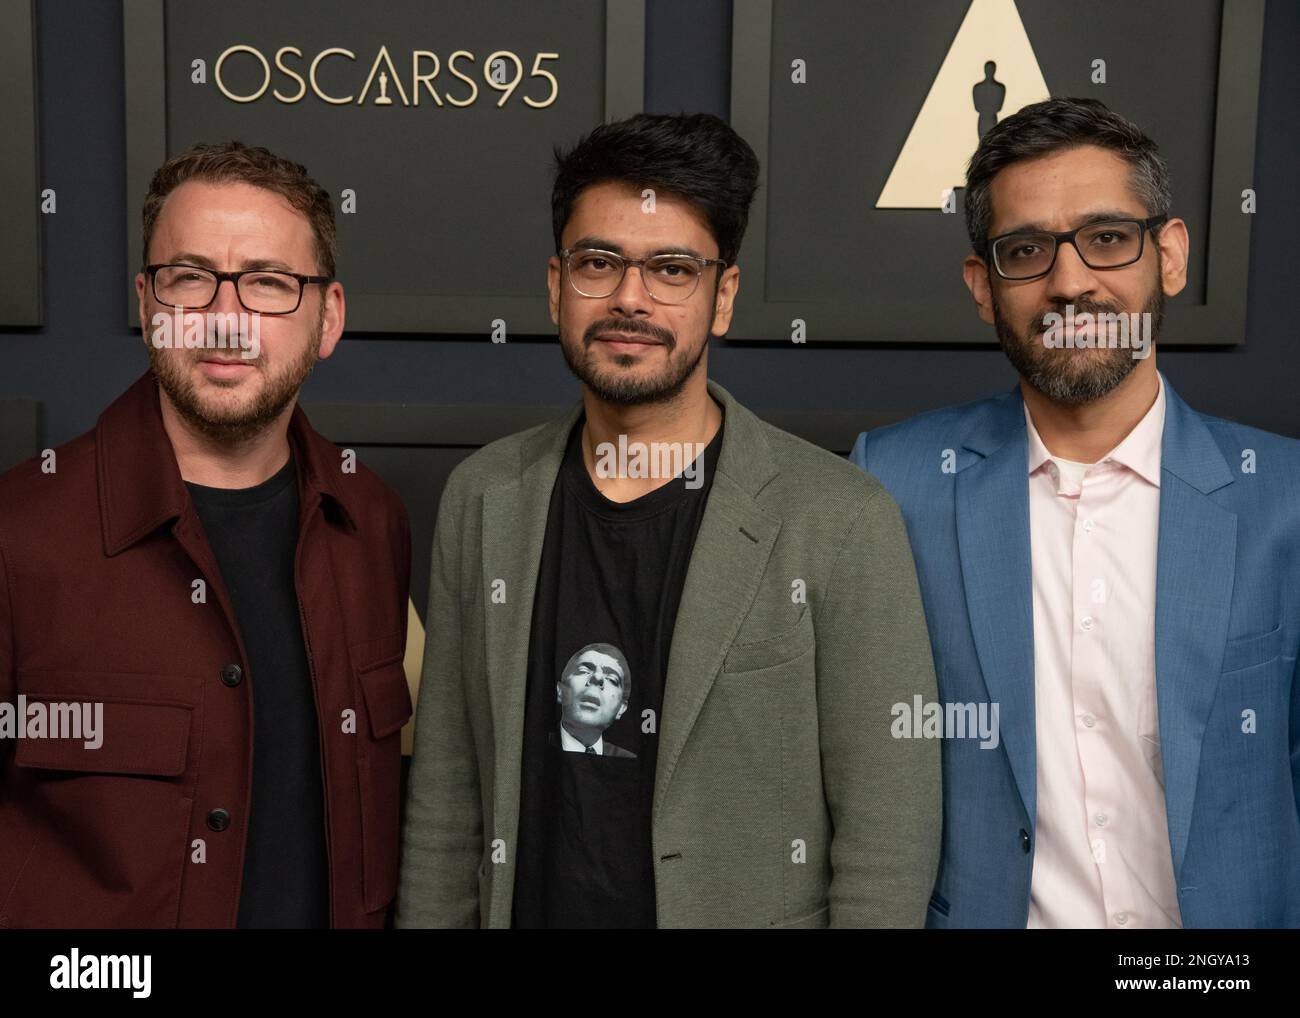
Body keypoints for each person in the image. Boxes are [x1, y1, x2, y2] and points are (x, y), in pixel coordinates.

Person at [398, 112, 940, 929]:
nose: (629, 298)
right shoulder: (483, 499)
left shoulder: (838, 517)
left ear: (722, 297)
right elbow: (447, 799)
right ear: (555, 285)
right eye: (598, 262)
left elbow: (889, 835)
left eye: (672, 269)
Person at [852, 97, 1300, 928]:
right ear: (983, 288)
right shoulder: (896, 482)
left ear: (1169, 255)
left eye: (1106, 238)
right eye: (1026, 251)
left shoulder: (1286, 497)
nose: (1069, 282)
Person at [0, 141, 412, 928]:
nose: (226, 321)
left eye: (268, 283)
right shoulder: (19, 534)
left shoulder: (373, 523)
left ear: (328, 319)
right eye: (190, 279)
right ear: (149, 306)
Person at [551, 643, 637, 757]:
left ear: (621, 709)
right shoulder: (533, 746)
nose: (597, 677)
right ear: (560, 691)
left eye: (612, 679)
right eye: (584, 671)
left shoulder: (628, 760)